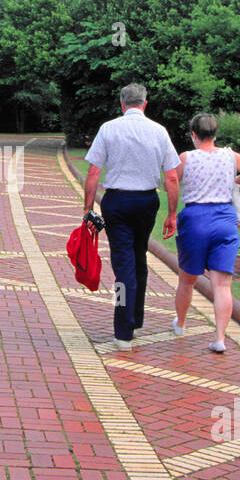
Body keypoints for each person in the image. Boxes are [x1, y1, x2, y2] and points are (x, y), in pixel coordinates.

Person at [83, 84, 181, 350]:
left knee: (122, 265)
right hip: (147, 201)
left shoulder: (108, 128)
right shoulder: (159, 131)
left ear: (122, 103)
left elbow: (93, 173)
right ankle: (136, 318)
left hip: (116, 201)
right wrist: (172, 213)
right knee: (139, 257)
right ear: (145, 104)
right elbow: (172, 176)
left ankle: (123, 331)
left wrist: (87, 209)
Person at [172, 113, 240, 353]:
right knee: (223, 285)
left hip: (195, 219)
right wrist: (236, 180)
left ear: (194, 135)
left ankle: (181, 324)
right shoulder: (230, 156)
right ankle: (220, 339)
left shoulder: (187, 157)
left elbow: (171, 180)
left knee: (186, 281)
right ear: (215, 134)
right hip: (224, 219)